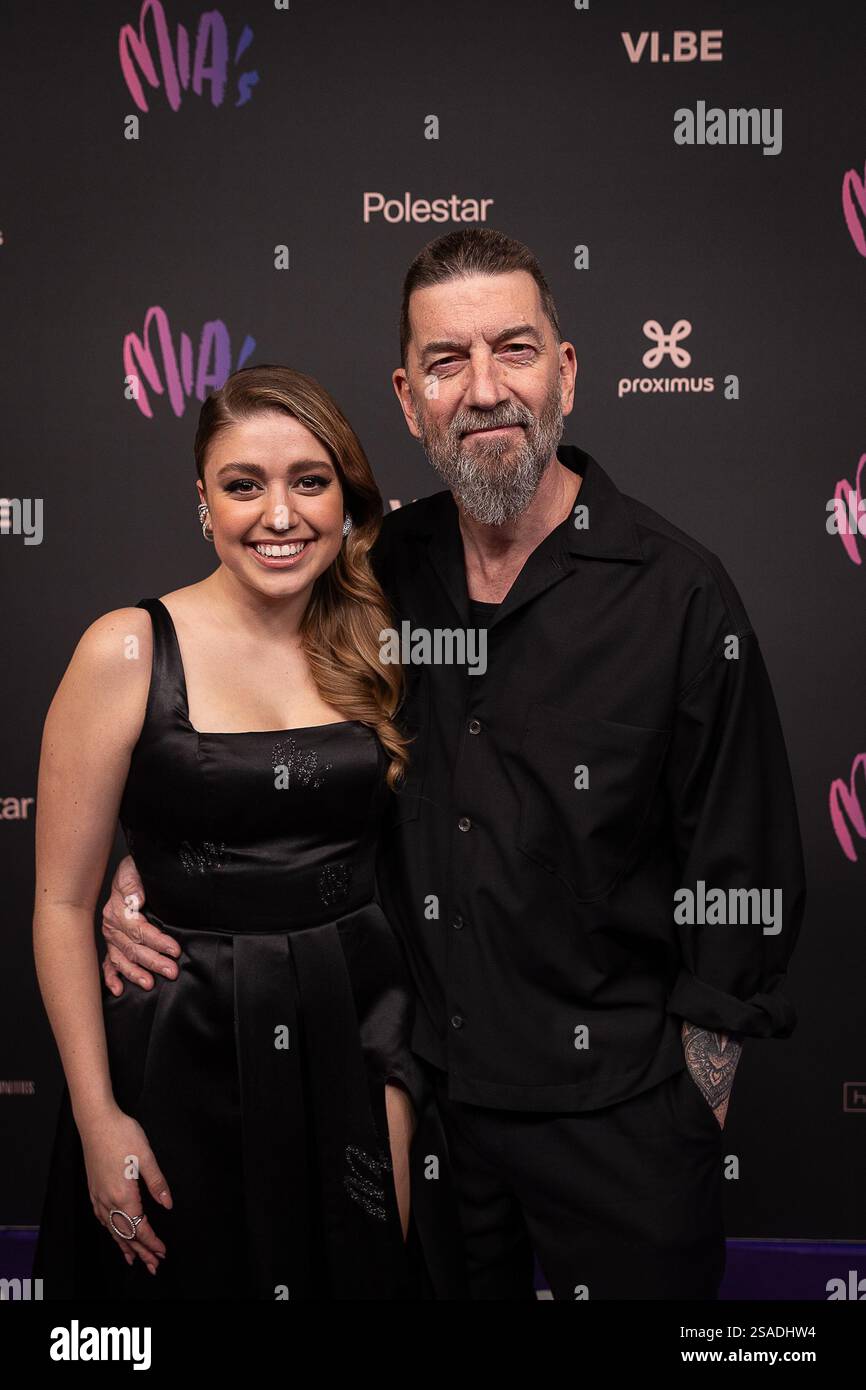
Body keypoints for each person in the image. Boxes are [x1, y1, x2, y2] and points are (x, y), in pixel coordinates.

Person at [99, 228, 807, 1301]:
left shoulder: (676, 597)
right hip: (417, 1111)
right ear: (406, 396)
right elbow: (244, 714)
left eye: (512, 350)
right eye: (445, 362)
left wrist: (686, 1117)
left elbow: (743, 870)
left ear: (563, 371)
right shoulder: (374, 570)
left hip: (618, 1124)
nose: (483, 390)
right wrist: (146, 863)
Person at [32, 364, 467, 1300]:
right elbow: (61, 903)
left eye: (309, 481)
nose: (280, 514)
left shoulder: (382, 639)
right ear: (203, 501)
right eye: (244, 485)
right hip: (181, 1037)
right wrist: (98, 1114)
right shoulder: (127, 648)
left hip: (357, 1028)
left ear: (347, 498)